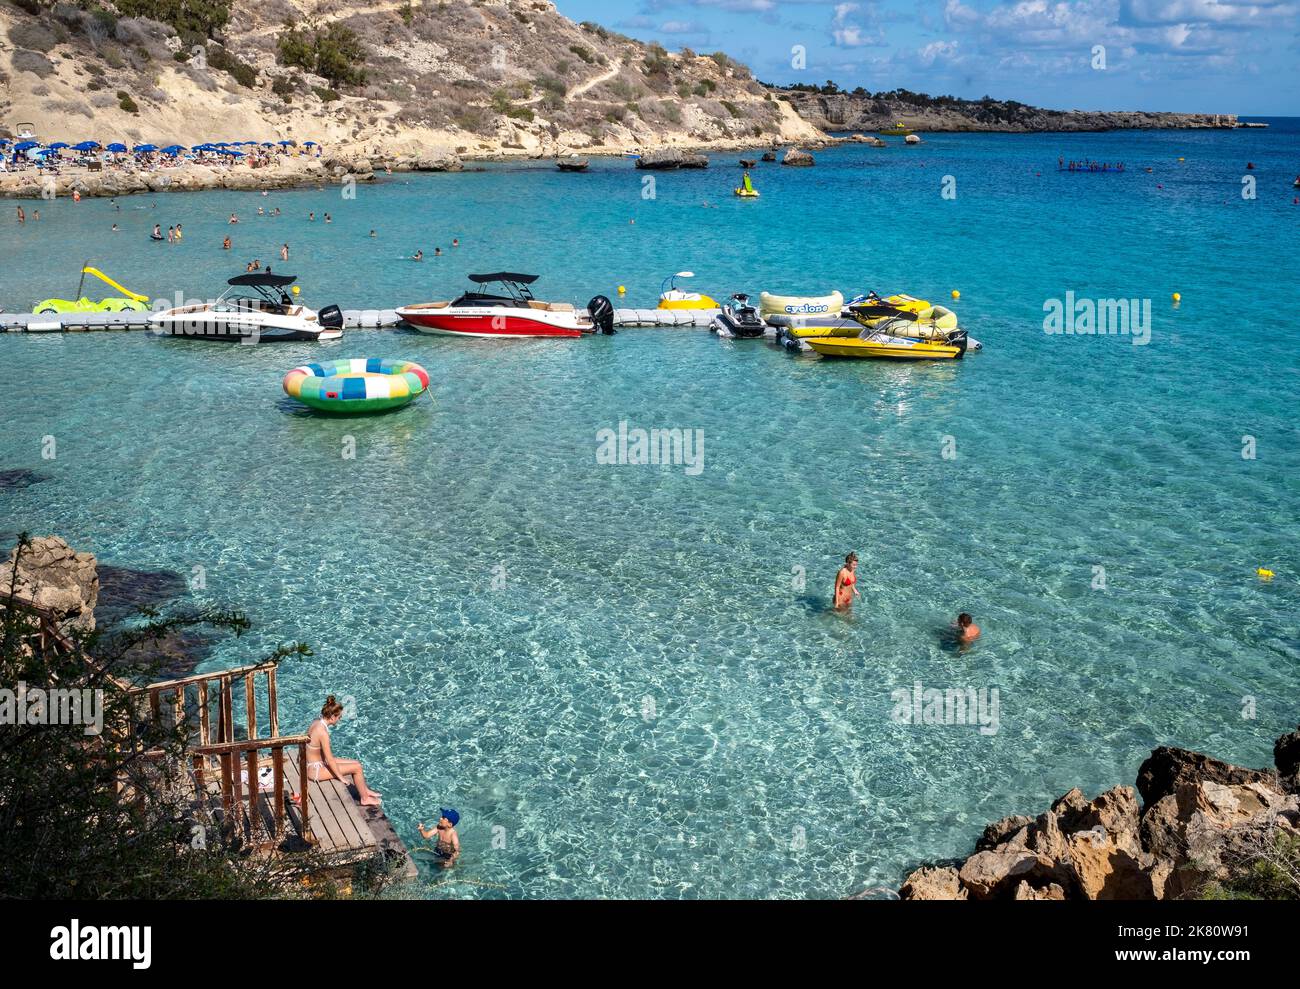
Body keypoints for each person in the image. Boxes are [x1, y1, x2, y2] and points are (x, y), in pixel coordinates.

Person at [291, 696, 382, 807]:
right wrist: (341, 777)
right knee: (357, 768)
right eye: (339, 717)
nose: (340, 719)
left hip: (316, 763)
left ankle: (364, 790)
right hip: (316, 771)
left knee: (357, 763)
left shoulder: (316, 722)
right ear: (333, 717)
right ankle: (365, 798)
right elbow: (329, 759)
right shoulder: (322, 732)